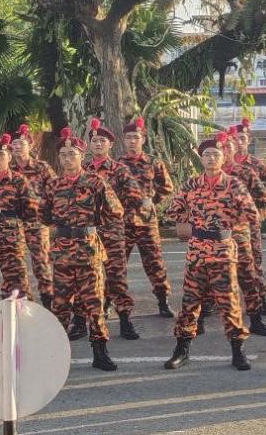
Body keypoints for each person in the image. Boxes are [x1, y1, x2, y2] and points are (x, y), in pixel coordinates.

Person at [163, 132, 257, 372]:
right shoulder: (191, 184)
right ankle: (181, 350)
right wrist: (193, 222)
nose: (211, 158)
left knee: (229, 303)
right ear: (201, 158)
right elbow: (172, 210)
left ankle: (238, 351)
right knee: (189, 303)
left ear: (223, 156)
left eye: (216, 154)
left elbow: (251, 214)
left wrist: (227, 221)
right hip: (197, 251)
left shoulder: (234, 185)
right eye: (207, 155)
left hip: (223, 252)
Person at [43, 127, 126, 372]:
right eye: (63, 155)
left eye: (72, 154)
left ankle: (100, 352)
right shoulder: (53, 185)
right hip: (62, 252)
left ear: (81, 156)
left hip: (88, 251)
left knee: (94, 304)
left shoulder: (95, 182)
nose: (67, 158)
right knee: (60, 305)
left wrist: (95, 222)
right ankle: (55, 355)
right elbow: (43, 214)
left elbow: (116, 210)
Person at [84, 117, 147, 340]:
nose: (98, 144)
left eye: (102, 141)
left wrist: (117, 213)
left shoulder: (119, 170)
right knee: (86, 278)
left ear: (110, 145)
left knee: (116, 277)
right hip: (87, 233)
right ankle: (83, 322)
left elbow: (136, 197)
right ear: (89, 145)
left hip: (112, 231)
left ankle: (125, 320)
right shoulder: (82, 169)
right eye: (94, 141)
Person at [113, 117, 175, 317]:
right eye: (129, 137)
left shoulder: (154, 163)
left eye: (136, 137)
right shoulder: (116, 165)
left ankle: (163, 301)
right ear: (124, 140)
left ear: (143, 139)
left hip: (147, 222)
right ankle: (108, 303)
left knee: (155, 263)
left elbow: (167, 186)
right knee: (116, 265)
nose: (132, 141)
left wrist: (152, 200)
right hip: (122, 223)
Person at [0, 134, 40, 302]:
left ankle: (21, 318)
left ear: (9, 157)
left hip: (11, 245)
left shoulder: (19, 181)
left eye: (1, 154)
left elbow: (32, 213)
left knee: (18, 292)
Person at [223, 137, 266, 337]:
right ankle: (206, 314)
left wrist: (250, 215)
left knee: (249, 273)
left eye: (228, 147)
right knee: (213, 274)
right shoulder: (207, 177)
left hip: (243, 231)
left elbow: (264, 197)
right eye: (220, 148)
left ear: (234, 148)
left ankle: (256, 317)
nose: (224, 151)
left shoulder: (245, 172)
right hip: (217, 236)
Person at [231, 119, 266, 315]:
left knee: (254, 260)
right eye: (235, 138)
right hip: (226, 222)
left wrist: (258, 206)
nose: (238, 142)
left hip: (249, 221)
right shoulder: (222, 165)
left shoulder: (257, 165)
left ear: (248, 140)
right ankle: (214, 301)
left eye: (242, 138)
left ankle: (261, 299)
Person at [10, 125, 56, 308]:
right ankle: (26, 305)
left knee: (41, 265)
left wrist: (46, 212)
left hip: (37, 224)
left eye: (21, 143)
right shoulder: (9, 169)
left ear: (30, 146)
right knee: (16, 267)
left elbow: (55, 191)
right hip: (14, 226)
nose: (17, 147)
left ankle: (48, 305)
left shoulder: (41, 168)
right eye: (14, 144)